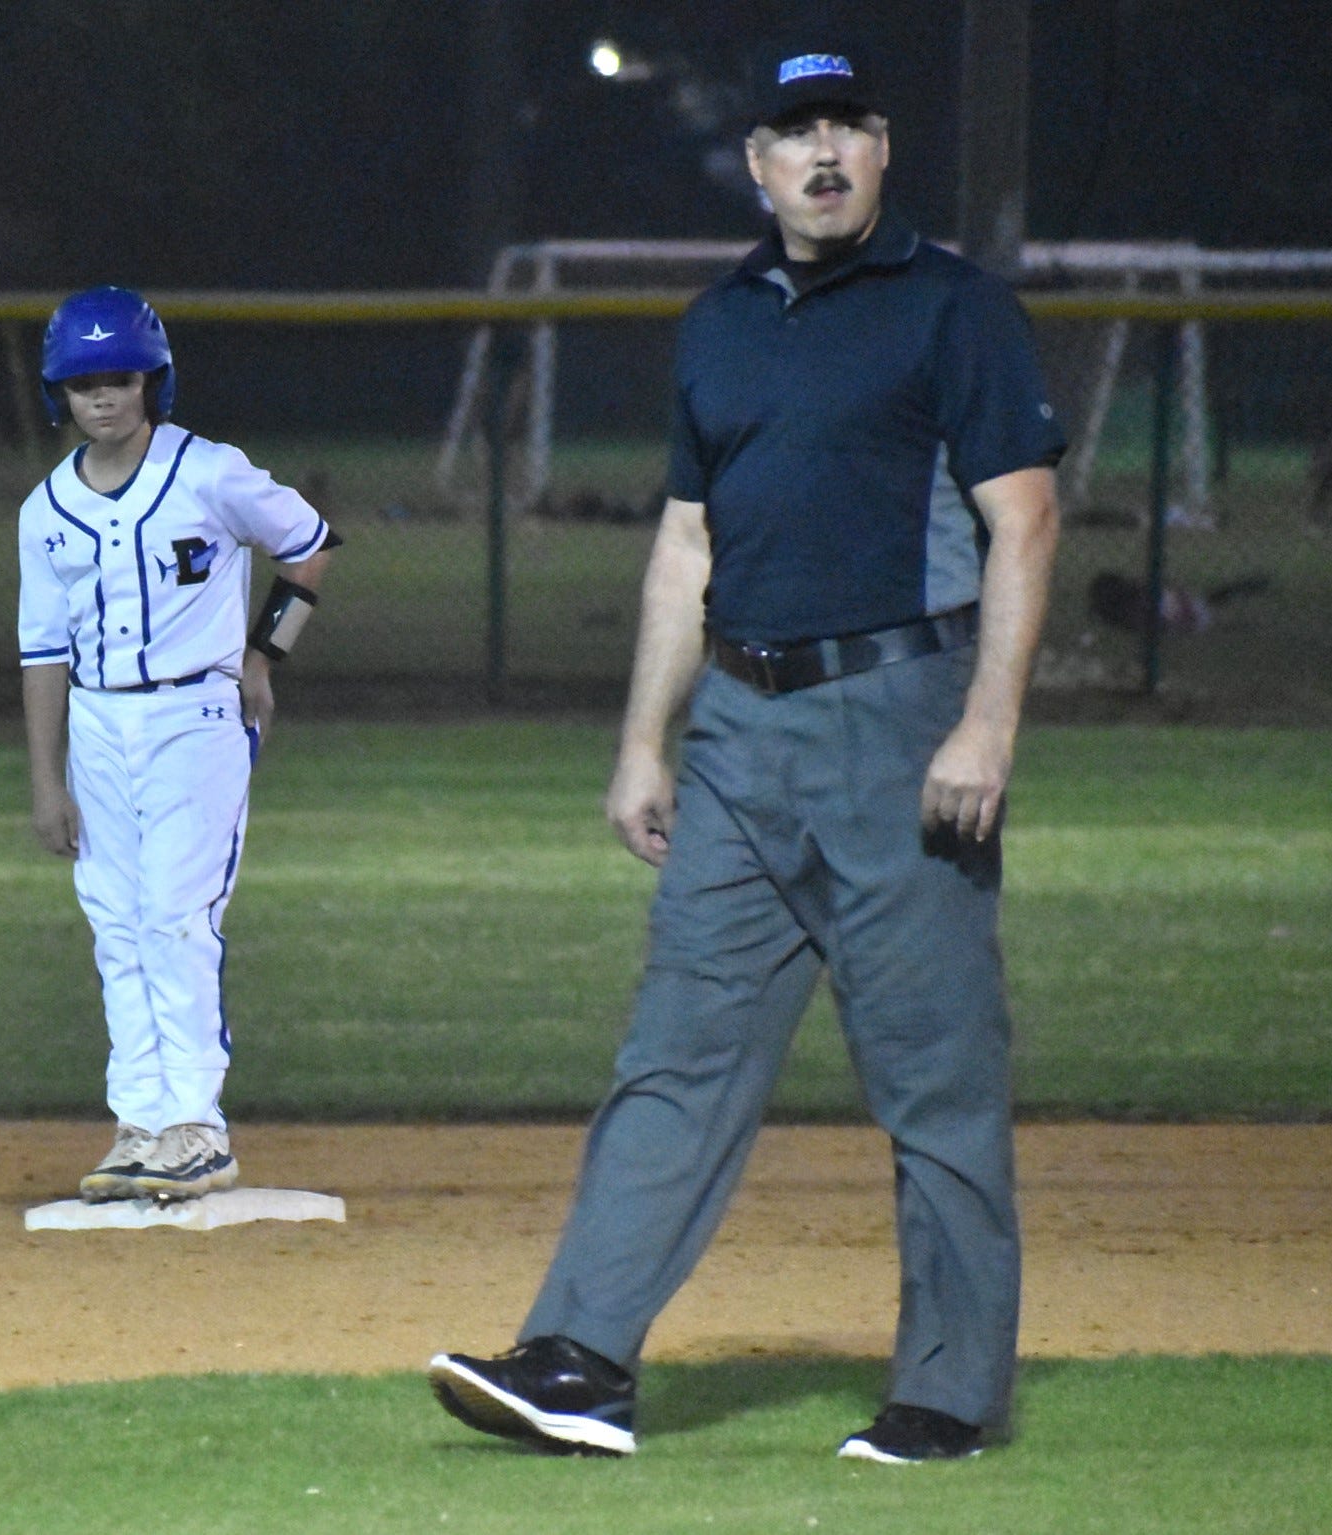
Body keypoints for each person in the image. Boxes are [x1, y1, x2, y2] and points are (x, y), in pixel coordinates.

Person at [428, 40, 1064, 1464]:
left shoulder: (951, 307)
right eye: (795, 130)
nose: (823, 151)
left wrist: (986, 721)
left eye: (846, 124)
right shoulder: (717, 321)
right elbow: (683, 543)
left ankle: (948, 1394)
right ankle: (578, 1356)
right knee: (674, 1054)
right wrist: (641, 738)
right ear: (758, 163)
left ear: (881, 148)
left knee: (932, 1069)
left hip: (899, 719)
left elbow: (1022, 519)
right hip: (736, 731)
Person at [16, 286, 340, 1203]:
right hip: (95, 724)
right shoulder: (45, 512)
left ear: (150, 380)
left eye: (119, 377)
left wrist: (263, 652)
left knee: (174, 916)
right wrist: (47, 780)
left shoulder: (207, 471)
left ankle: (197, 1122)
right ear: (61, 395)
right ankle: (141, 1125)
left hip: (194, 717)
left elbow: (309, 544)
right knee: (117, 923)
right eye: (83, 384)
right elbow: (42, 652)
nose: (103, 397)